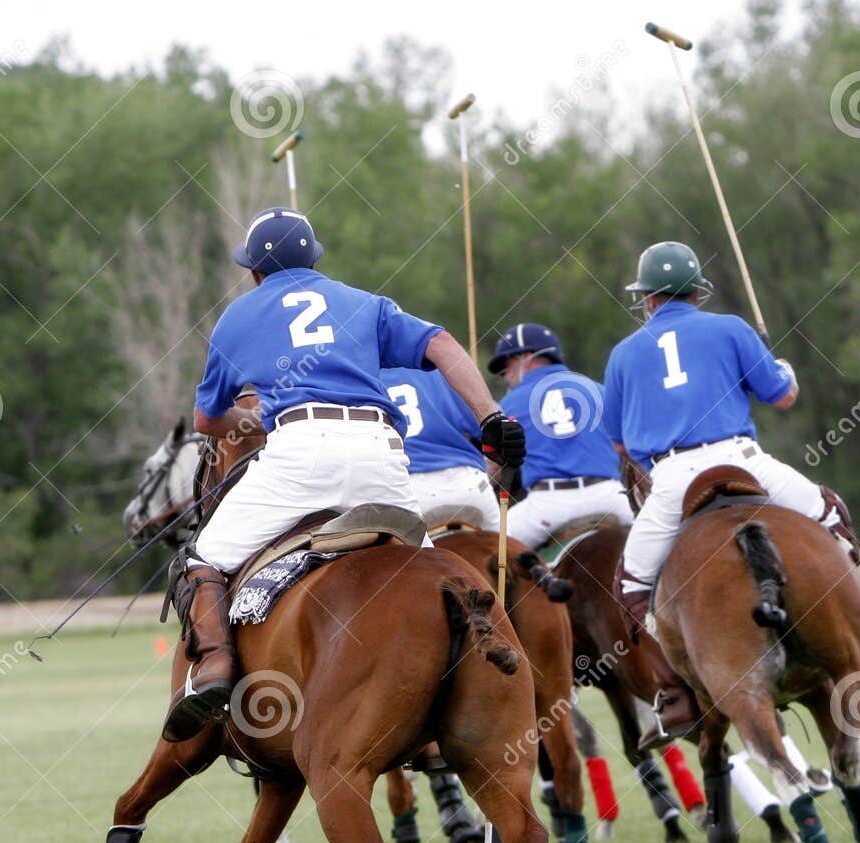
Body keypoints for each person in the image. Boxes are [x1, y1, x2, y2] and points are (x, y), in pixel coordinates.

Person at [166, 206, 525, 742]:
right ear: (314, 258)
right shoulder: (363, 302)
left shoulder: (236, 318)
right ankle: (455, 703)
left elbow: (206, 419)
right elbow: (443, 345)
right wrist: (490, 416)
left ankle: (214, 670)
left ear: (254, 272)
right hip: (381, 455)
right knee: (438, 583)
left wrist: (255, 417)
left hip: (299, 454)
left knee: (203, 556)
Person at [603, 240, 860, 725]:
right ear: (697, 292)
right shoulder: (731, 328)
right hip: (744, 460)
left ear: (647, 298)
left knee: (630, 584)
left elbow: (620, 446)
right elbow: (783, 398)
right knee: (830, 516)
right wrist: (780, 367)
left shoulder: (624, 354)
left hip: (671, 477)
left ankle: (677, 692)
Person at [493, 323, 634, 547]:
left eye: (506, 368)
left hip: (548, 507)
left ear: (526, 357)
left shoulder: (510, 403)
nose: (505, 377)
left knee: (491, 553)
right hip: (609, 497)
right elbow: (628, 447)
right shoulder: (598, 389)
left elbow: (495, 469)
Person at [380, 366, 499, 530]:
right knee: (506, 552)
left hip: (410, 492)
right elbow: (495, 433)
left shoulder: (366, 376)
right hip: (470, 485)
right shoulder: (444, 369)